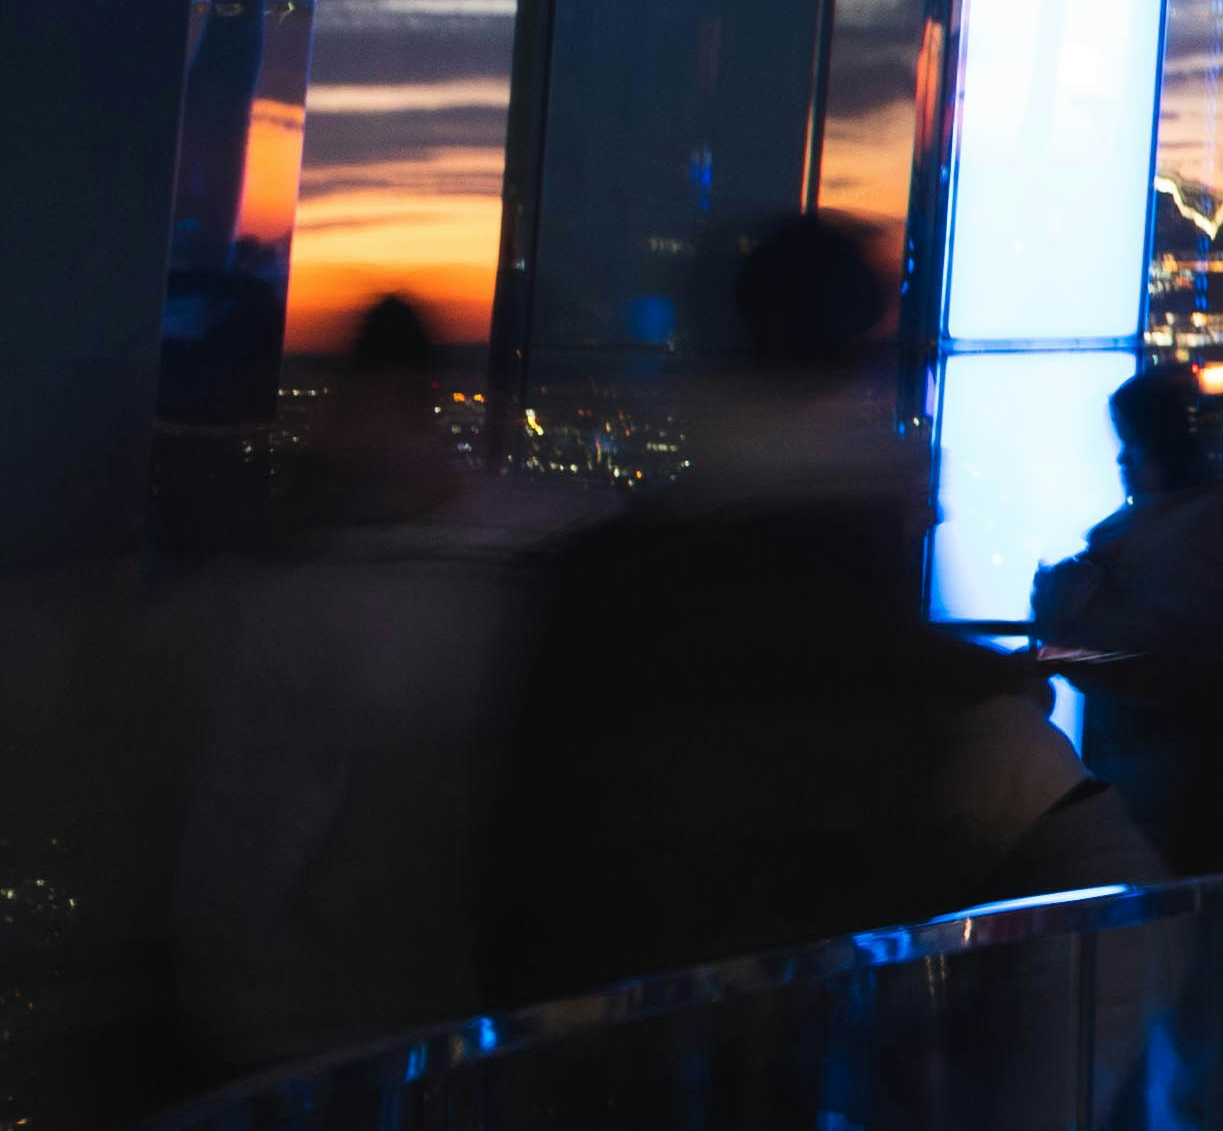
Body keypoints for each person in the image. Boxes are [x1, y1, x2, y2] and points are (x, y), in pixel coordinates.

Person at [479, 216, 1153, 1007]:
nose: (932, 517)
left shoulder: (612, 580)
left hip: (638, 1027)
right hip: (815, 1032)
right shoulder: (863, 618)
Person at [169, 292, 553, 1073]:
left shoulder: (300, 603)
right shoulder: (536, 562)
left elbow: (247, 836)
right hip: (480, 1001)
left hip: (330, 1028)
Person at [1030, 361, 1223, 876]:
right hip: (1195, 764)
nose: (1121, 459)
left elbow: (1157, 651)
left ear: (1158, 448)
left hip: (1172, 768)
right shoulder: (1222, 527)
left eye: (1131, 444)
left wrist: (1066, 622)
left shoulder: (1186, 535)